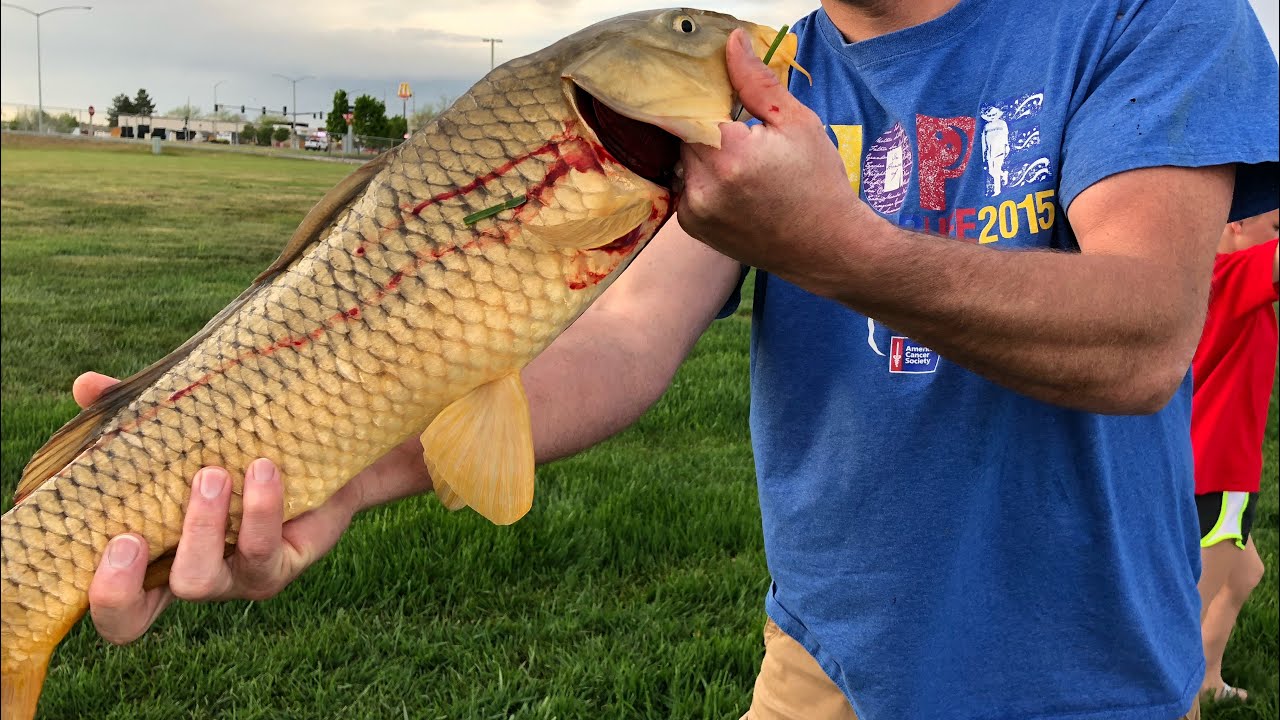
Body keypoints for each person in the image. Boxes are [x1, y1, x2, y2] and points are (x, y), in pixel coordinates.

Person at [75, 1, 1279, 718]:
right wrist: (347, 471)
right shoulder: (766, 77)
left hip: (1087, 677)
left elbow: (1141, 334)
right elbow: (622, 338)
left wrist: (840, 247)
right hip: (818, 666)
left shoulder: (1150, 14)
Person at [1190, 210, 1279, 705]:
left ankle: (1207, 680)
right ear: (1235, 224)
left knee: (1247, 574)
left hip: (1204, 462)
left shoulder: (1209, 280)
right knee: (1182, 618)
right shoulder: (1232, 276)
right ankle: (1176, 701)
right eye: (1276, 229)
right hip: (1223, 473)